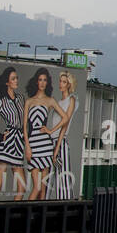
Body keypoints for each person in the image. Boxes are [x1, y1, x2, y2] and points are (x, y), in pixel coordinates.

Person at [0, 66, 26, 201]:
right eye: (13, 79)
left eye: (16, 78)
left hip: (19, 142)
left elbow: (25, 120)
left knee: (22, 186)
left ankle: (12, 212)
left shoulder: (20, 98)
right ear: (7, 82)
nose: (16, 81)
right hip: (8, 141)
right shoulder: (2, 102)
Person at [42, 71, 78, 200]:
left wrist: (56, 146)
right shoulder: (58, 101)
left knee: (63, 175)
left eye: (64, 82)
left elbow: (65, 123)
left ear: (69, 84)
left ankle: (66, 203)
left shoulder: (72, 99)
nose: (61, 84)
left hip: (60, 143)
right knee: (48, 176)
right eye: (60, 81)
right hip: (51, 143)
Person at [23, 68, 58, 200]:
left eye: (45, 80)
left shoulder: (50, 100)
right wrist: (27, 146)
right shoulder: (29, 101)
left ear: (47, 82)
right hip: (33, 144)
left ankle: (39, 217)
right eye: (40, 80)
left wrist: (50, 131)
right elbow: (25, 127)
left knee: (43, 189)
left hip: (45, 145)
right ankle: (27, 214)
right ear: (36, 82)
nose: (42, 83)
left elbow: (65, 117)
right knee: (36, 187)